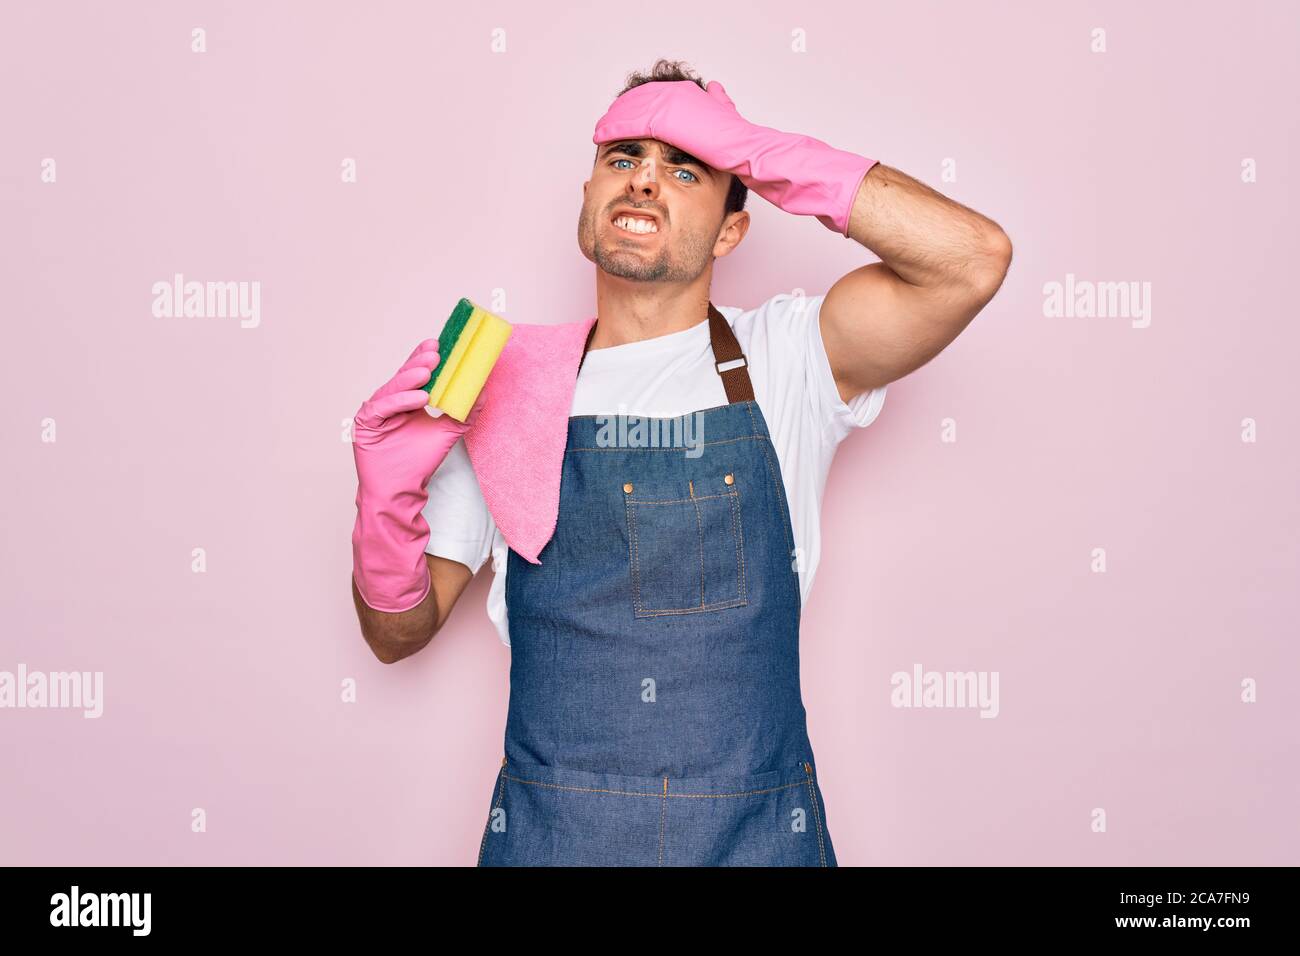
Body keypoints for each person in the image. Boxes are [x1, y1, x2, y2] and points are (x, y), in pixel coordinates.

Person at [348, 59, 1012, 866]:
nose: (643, 182)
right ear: (588, 198)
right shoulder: (505, 385)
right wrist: (383, 495)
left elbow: (972, 258)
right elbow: (395, 637)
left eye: (684, 166)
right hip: (551, 840)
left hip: (758, 841)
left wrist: (758, 151)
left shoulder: (792, 357)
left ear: (733, 227)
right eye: (622, 159)